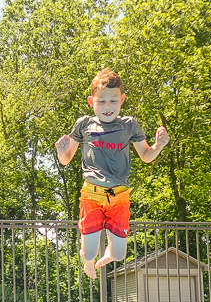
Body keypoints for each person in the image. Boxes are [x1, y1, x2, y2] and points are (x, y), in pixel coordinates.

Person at [55, 68, 169, 279]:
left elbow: (146, 155)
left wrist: (158, 145)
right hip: (92, 195)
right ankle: (88, 262)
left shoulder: (129, 125)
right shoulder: (84, 124)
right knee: (89, 252)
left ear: (122, 100)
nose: (108, 107)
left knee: (118, 255)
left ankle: (109, 253)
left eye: (113, 101)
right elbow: (66, 159)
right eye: (101, 102)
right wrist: (62, 151)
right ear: (91, 102)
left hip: (119, 196)